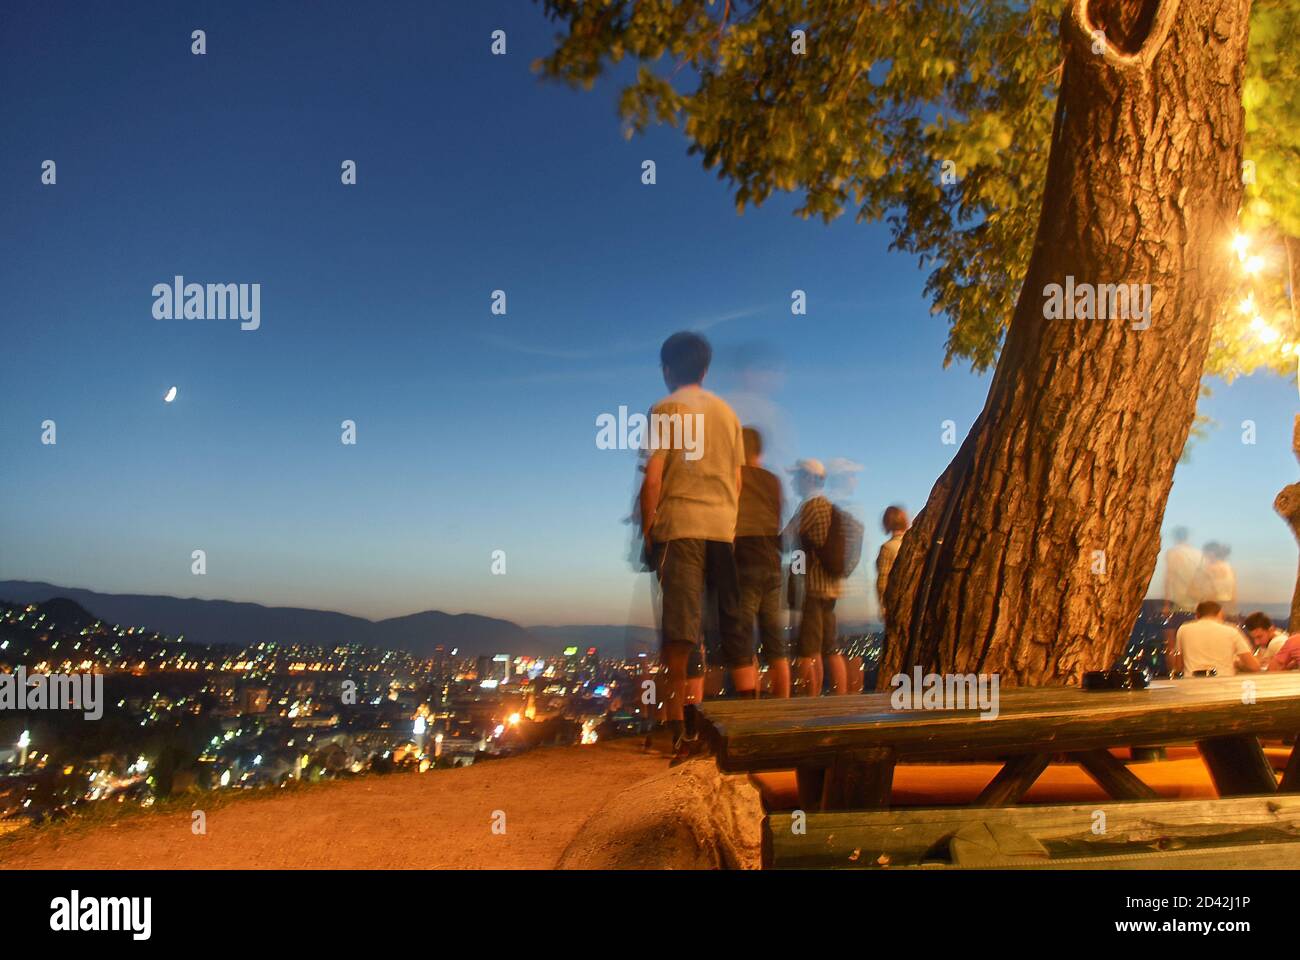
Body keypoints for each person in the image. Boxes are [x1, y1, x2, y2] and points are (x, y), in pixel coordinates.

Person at [640, 331, 752, 762]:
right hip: (722, 529)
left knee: (681, 636)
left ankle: (686, 733)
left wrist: (650, 530)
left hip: (681, 528)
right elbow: (738, 480)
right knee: (725, 627)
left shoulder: (666, 409)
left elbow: (655, 476)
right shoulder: (727, 413)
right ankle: (739, 729)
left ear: (667, 370)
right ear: (705, 370)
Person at [784, 459, 847, 696]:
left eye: (797, 476)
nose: (793, 481)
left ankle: (808, 702)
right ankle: (839, 700)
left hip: (814, 587)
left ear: (809, 479)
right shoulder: (829, 507)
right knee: (830, 648)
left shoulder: (810, 507)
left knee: (808, 650)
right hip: (831, 587)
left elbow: (785, 538)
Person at [735, 427, 789, 697]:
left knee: (742, 639)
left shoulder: (734, 476)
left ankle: (749, 708)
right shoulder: (773, 481)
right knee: (775, 643)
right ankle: (784, 708)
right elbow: (778, 517)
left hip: (744, 560)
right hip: (771, 561)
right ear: (759, 450)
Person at [1172, 600, 1260, 677]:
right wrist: (1237, 664)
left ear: (1197, 615)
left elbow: (1178, 666)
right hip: (1223, 683)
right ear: (1220, 614)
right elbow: (1253, 666)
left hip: (1192, 683)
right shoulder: (1231, 631)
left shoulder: (1183, 629)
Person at [876, 505, 909, 626]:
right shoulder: (913, 543)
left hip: (897, 605)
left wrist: (884, 607)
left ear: (887, 522)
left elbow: (882, 581)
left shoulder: (887, 548)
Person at [1202, 542, 1237, 616]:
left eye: (1205, 554)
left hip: (1214, 605)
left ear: (1211, 554)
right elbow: (1233, 591)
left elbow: (1208, 591)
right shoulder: (1229, 567)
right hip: (1228, 604)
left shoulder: (1209, 568)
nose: (1204, 556)